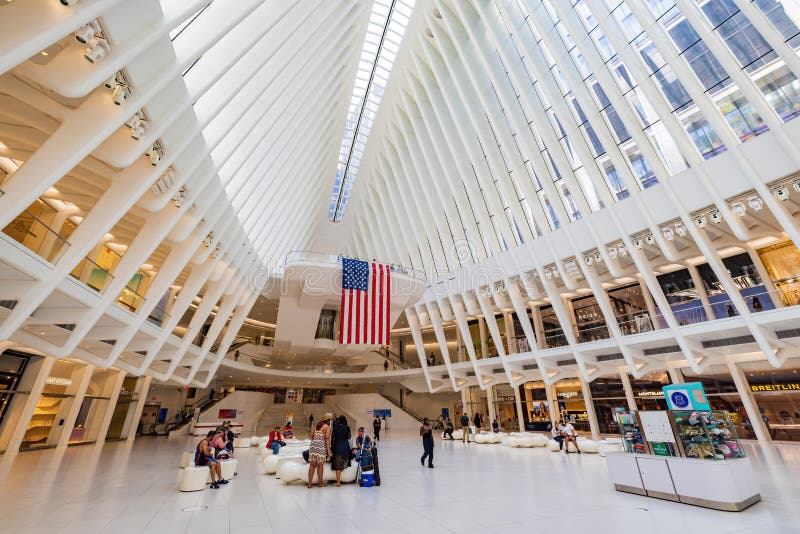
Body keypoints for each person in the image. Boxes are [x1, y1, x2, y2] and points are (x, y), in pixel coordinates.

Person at [307, 414, 332, 488]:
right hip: (321, 446)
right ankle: (320, 483)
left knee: (312, 465)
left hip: (313, 445)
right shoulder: (327, 427)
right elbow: (327, 439)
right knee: (320, 465)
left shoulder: (317, 426)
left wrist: (316, 441)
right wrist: (328, 450)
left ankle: (310, 484)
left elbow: (311, 436)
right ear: (328, 420)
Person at [331, 415, 352, 487]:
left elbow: (333, 438)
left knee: (338, 465)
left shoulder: (335, 428)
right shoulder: (347, 427)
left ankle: (338, 482)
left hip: (338, 446)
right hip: (345, 446)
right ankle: (341, 480)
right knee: (343, 462)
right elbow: (349, 437)